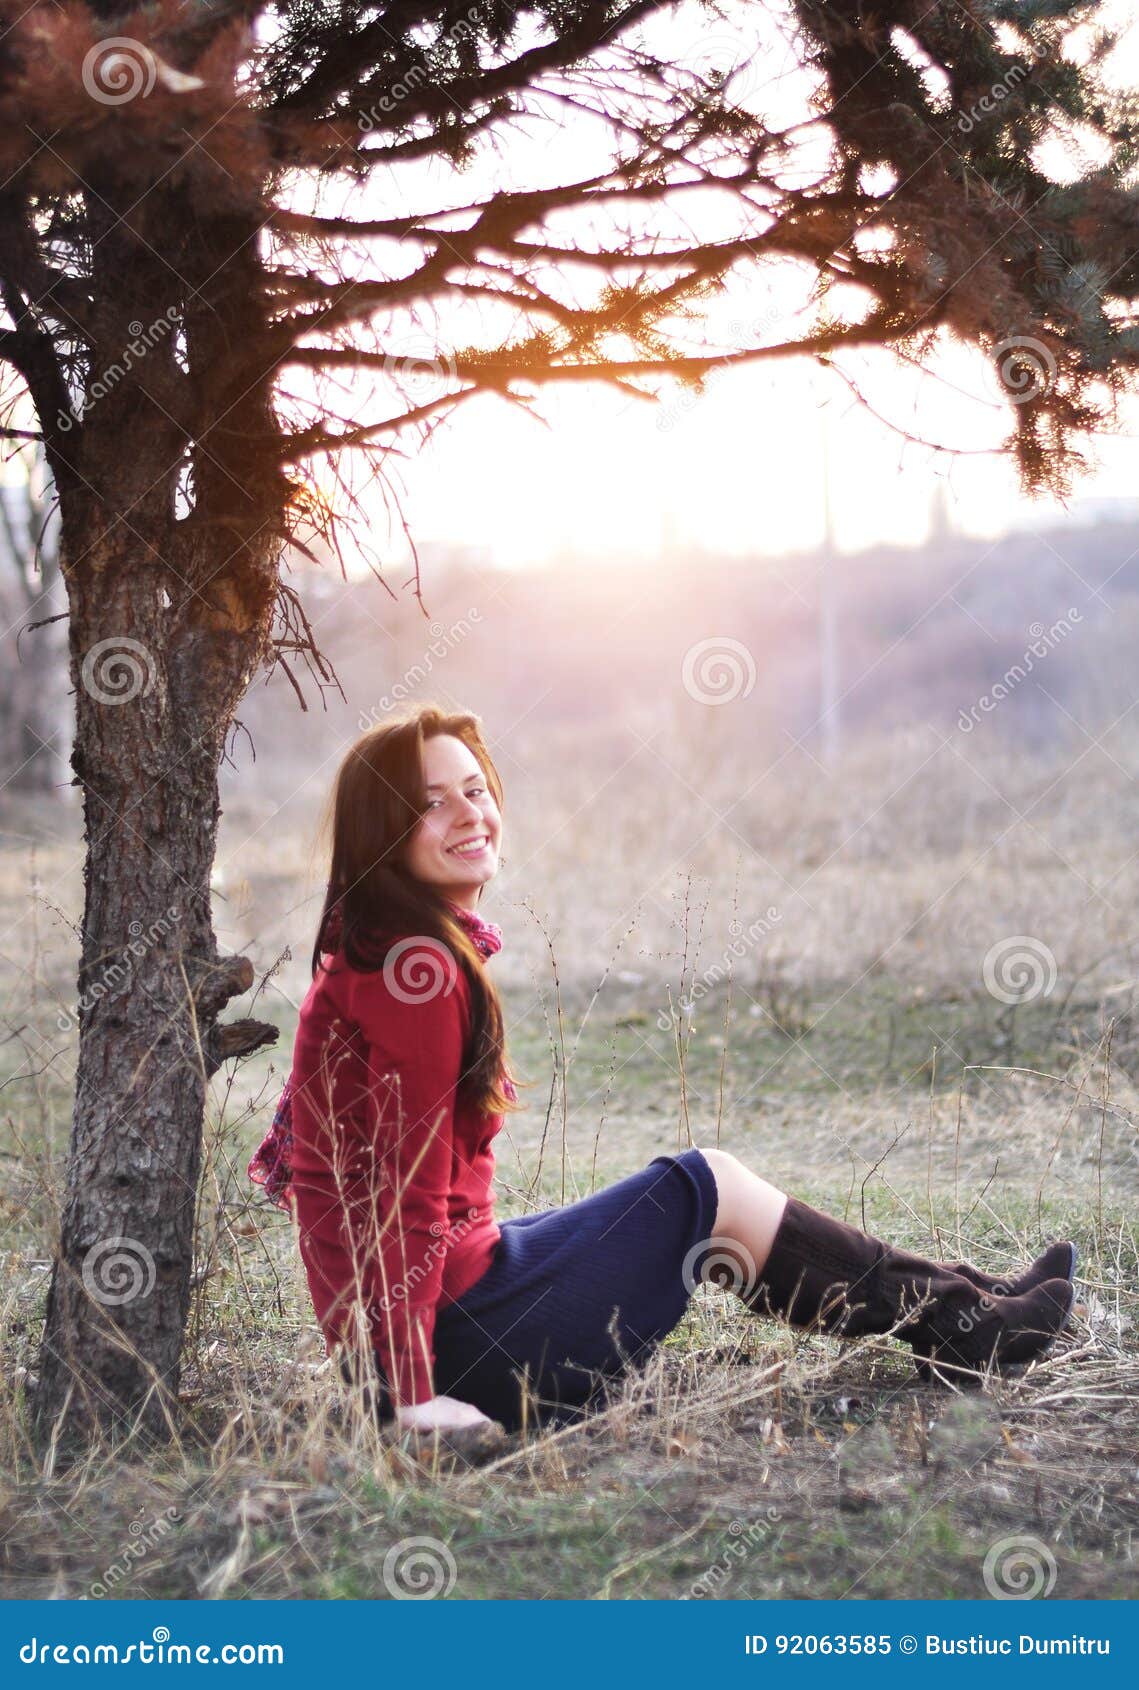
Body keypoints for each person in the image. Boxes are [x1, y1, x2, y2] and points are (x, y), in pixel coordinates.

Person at [249, 703, 1077, 1436]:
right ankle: (967, 1324)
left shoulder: (376, 950)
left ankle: (967, 1309)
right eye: (431, 804)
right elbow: (400, 1199)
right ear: (383, 833)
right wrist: (405, 1399)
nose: (470, 814)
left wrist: (372, 1371)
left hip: (451, 1317)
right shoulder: (415, 974)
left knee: (693, 1195)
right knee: (696, 1186)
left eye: (476, 789)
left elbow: (350, 1200)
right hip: (463, 1346)